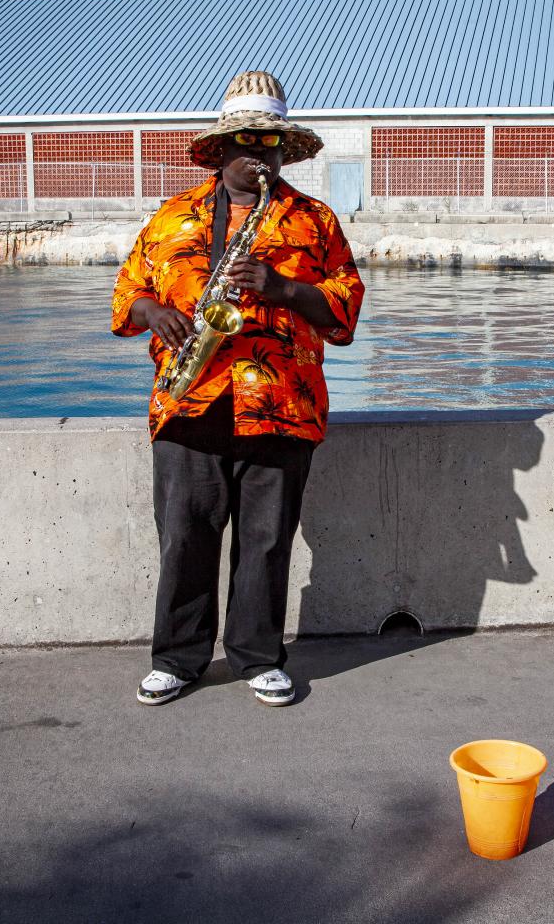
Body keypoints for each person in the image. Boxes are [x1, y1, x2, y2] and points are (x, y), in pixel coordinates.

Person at [110, 71, 364, 707]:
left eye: (271, 141)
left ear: (285, 150)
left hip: (282, 405)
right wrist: (154, 314)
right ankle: (178, 658)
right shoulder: (171, 217)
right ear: (221, 148)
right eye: (246, 140)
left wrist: (280, 287)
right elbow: (126, 295)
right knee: (185, 538)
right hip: (189, 399)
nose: (259, 151)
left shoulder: (316, 221)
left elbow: (345, 312)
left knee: (267, 540)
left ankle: (257, 656)